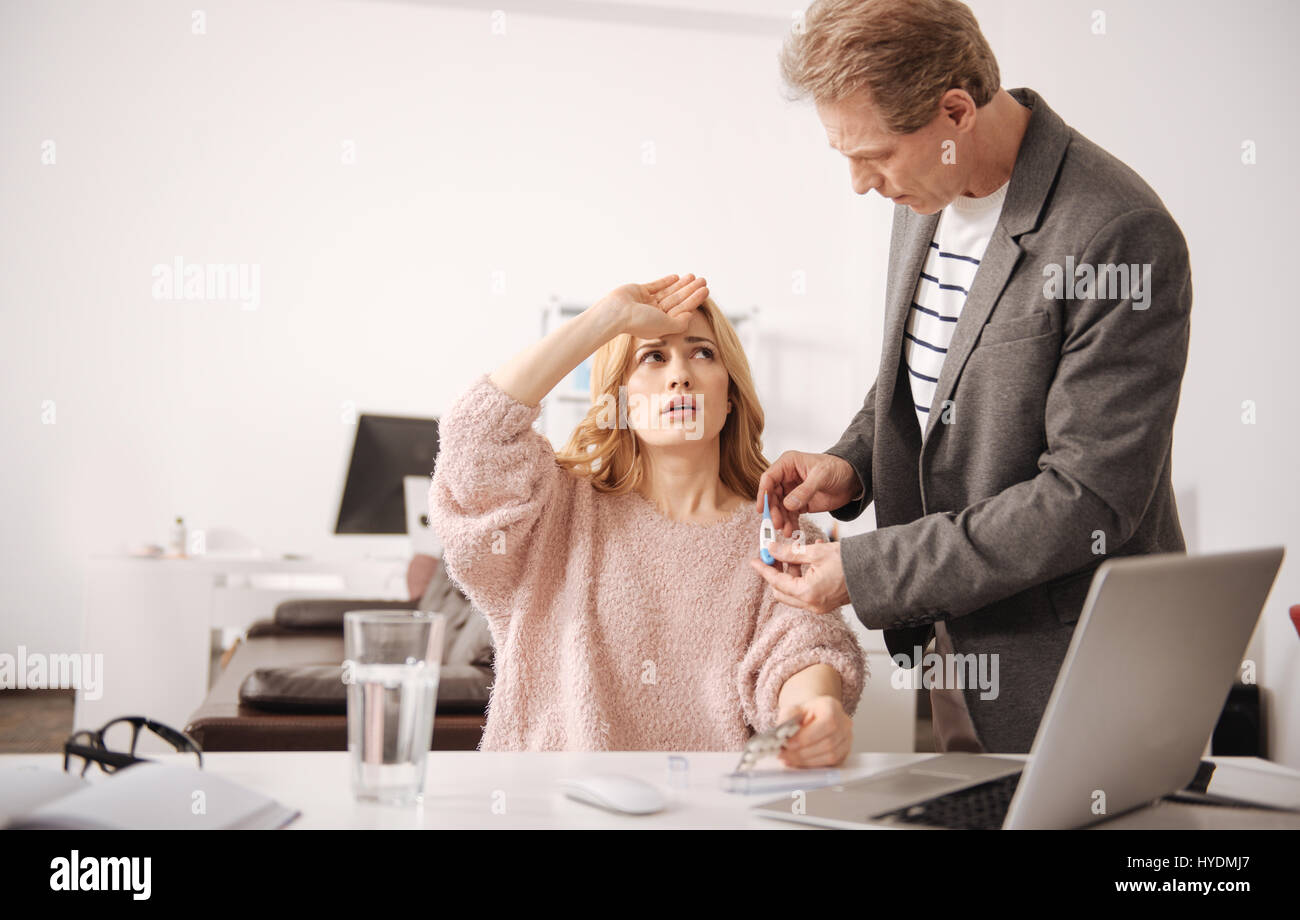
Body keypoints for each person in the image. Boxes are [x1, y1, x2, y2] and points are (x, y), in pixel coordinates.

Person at [750, 0, 1192, 754]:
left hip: (1074, 663)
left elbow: (1084, 499)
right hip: (954, 642)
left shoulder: (1119, 232)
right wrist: (850, 465)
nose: (860, 184)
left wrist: (865, 569)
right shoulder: (925, 189)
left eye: (874, 155)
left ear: (956, 109)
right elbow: (932, 375)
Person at [428, 274, 866, 764]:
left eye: (703, 353)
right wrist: (604, 320)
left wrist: (813, 712)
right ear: (619, 398)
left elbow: (803, 649)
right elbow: (474, 434)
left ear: (730, 396)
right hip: (547, 807)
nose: (680, 374)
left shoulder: (777, 528)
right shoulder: (553, 509)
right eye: (653, 357)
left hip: (709, 811)